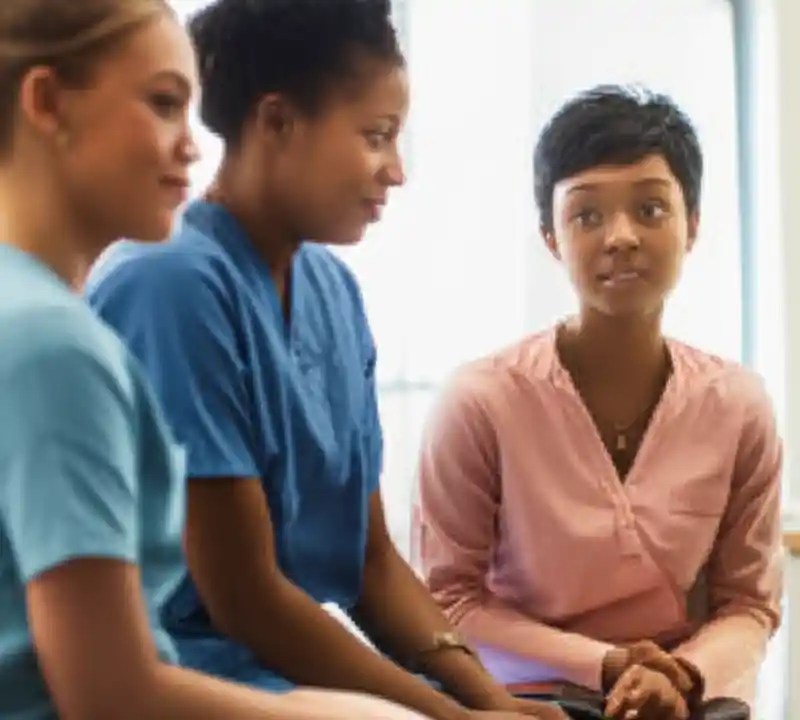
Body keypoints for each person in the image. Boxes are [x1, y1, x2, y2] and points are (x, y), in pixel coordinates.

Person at [84, 1, 561, 719]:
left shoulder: (333, 293)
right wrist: (451, 719)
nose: (395, 171)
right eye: (376, 136)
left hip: (285, 675)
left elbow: (371, 565)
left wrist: (491, 703)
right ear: (276, 123)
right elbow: (245, 600)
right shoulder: (170, 283)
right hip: (179, 680)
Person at [0, 1, 423, 718]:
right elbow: (110, 693)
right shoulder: (55, 342)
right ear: (47, 102)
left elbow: (371, 560)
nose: (193, 145)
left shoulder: (36, 316)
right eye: (163, 104)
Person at [411, 85, 782, 720]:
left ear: (692, 225)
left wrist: (682, 676)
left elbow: (748, 605)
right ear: (551, 237)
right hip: (522, 700)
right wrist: (606, 666)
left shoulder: (739, 405)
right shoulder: (480, 401)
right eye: (587, 215)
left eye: (650, 209)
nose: (621, 237)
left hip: (685, 701)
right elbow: (448, 603)